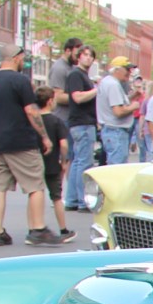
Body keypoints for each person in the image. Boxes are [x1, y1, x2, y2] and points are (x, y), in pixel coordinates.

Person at [0, 48, 61, 247]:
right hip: (20, 141)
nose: (24, 61)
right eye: (23, 58)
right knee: (35, 184)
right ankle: (37, 228)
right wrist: (44, 137)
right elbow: (31, 111)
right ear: (16, 58)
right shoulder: (20, 81)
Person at [59, 44, 99, 210]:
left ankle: (72, 199)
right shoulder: (76, 75)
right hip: (82, 123)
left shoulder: (83, 76)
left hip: (82, 122)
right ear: (78, 57)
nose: (88, 58)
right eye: (85, 55)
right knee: (84, 163)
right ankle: (82, 200)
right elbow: (77, 98)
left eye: (91, 55)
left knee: (77, 162)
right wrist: (96, 90)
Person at [35, 81, 75, 240]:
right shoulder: (56, 121)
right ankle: (63, 229)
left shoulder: (34, 121)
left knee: (35, 194)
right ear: (50, 101)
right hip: (52, 163)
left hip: (36, 162)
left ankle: (34, 228)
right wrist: (64, 161)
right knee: (56, 197)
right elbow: (64, 145)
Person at [96, 56, 138, 164]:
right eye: (127, 69)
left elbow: (116, 103)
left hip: (111, 130)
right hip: (116, 131)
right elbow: (118, 112)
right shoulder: (113, 85)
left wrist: (133, 96)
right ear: (117, 69)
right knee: (117, 168)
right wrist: (134, 106)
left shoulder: (107, 82)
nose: (129, 72)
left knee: (113, 165)